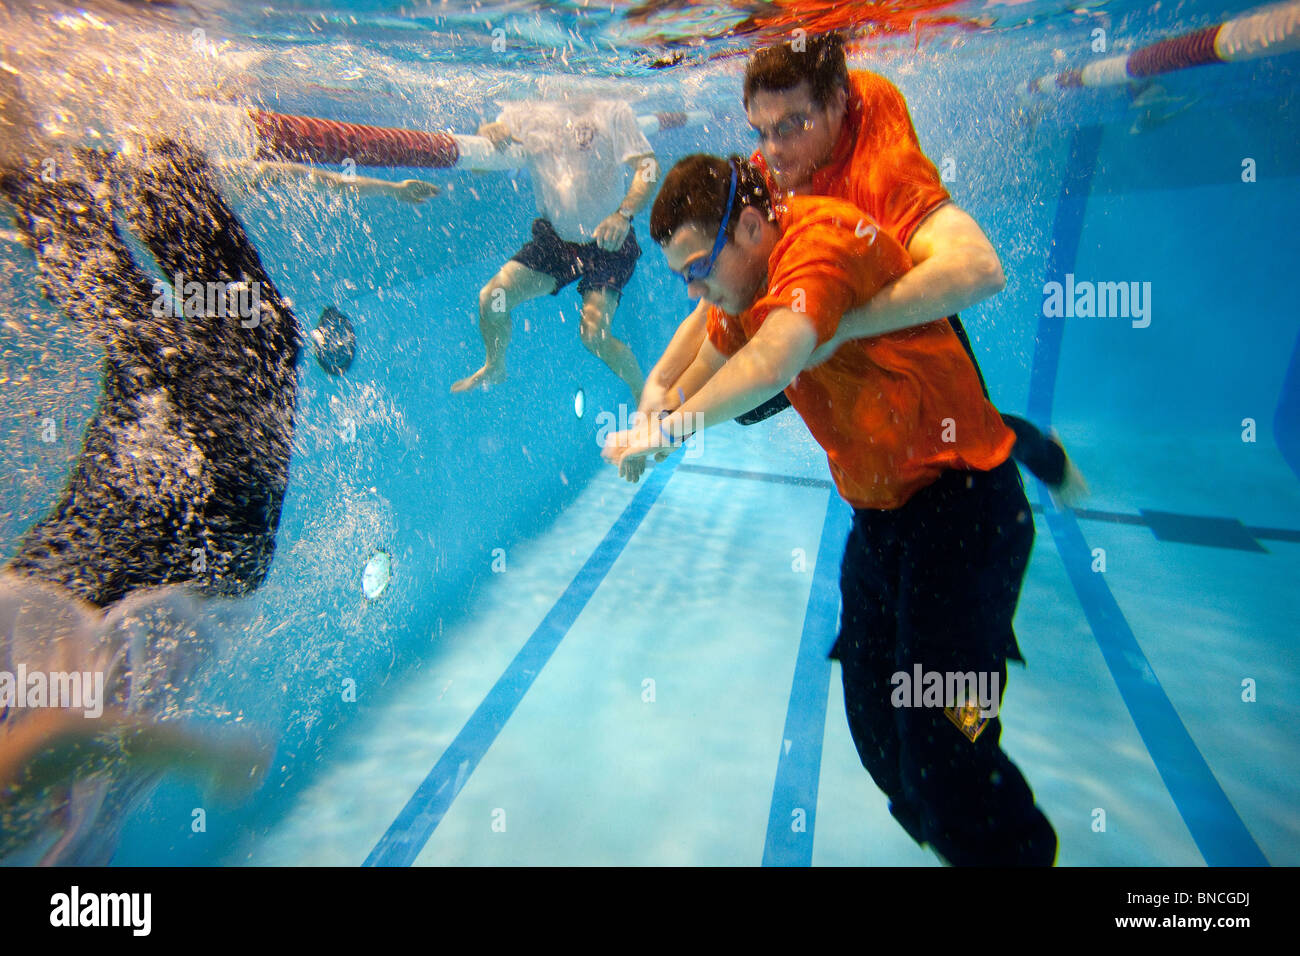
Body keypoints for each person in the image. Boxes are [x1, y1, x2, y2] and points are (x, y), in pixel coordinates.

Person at [603, 154, 1057, 866]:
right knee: (881, 735)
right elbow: (714, 355)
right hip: (883, 517)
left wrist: (666, 434)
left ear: (750, 226)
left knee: (945, 739)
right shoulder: (744, 281)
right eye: (681, 275)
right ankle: (967, 835)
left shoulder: (816, 249)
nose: (694, 289)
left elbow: (769, 366)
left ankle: (1013, 851)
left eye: (697, 268)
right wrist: (656, 400)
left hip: (965, 513)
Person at [0, 78, 289, 862]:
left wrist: (205, 761)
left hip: (131, 593)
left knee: (245, 338)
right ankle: (43, 161)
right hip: (64, 589)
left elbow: (45, 742)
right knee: (149, 350)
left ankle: (147, 121)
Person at [637, 35, 1086, 504]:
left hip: (902, 302)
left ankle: (1042, 459)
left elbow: (980, 268)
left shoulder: (881, 165)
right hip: (815, 314)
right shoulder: (775, 168)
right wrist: (662, 384)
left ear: (837, 103)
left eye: (792, 125)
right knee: (756, 394)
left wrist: (837, 328)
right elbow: (722, 287)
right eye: (760, 131)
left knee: (962, 425)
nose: (772, 150)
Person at [451, 97, 658, 404]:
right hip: (555, 242)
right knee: (491, 300)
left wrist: (624, 214)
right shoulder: (522, 108)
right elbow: (480, 168)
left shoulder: (611, 106)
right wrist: (489, 134)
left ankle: (644, 397)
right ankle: (494, 366)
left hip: (608, 241)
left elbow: (649, 166)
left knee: (594, 336)